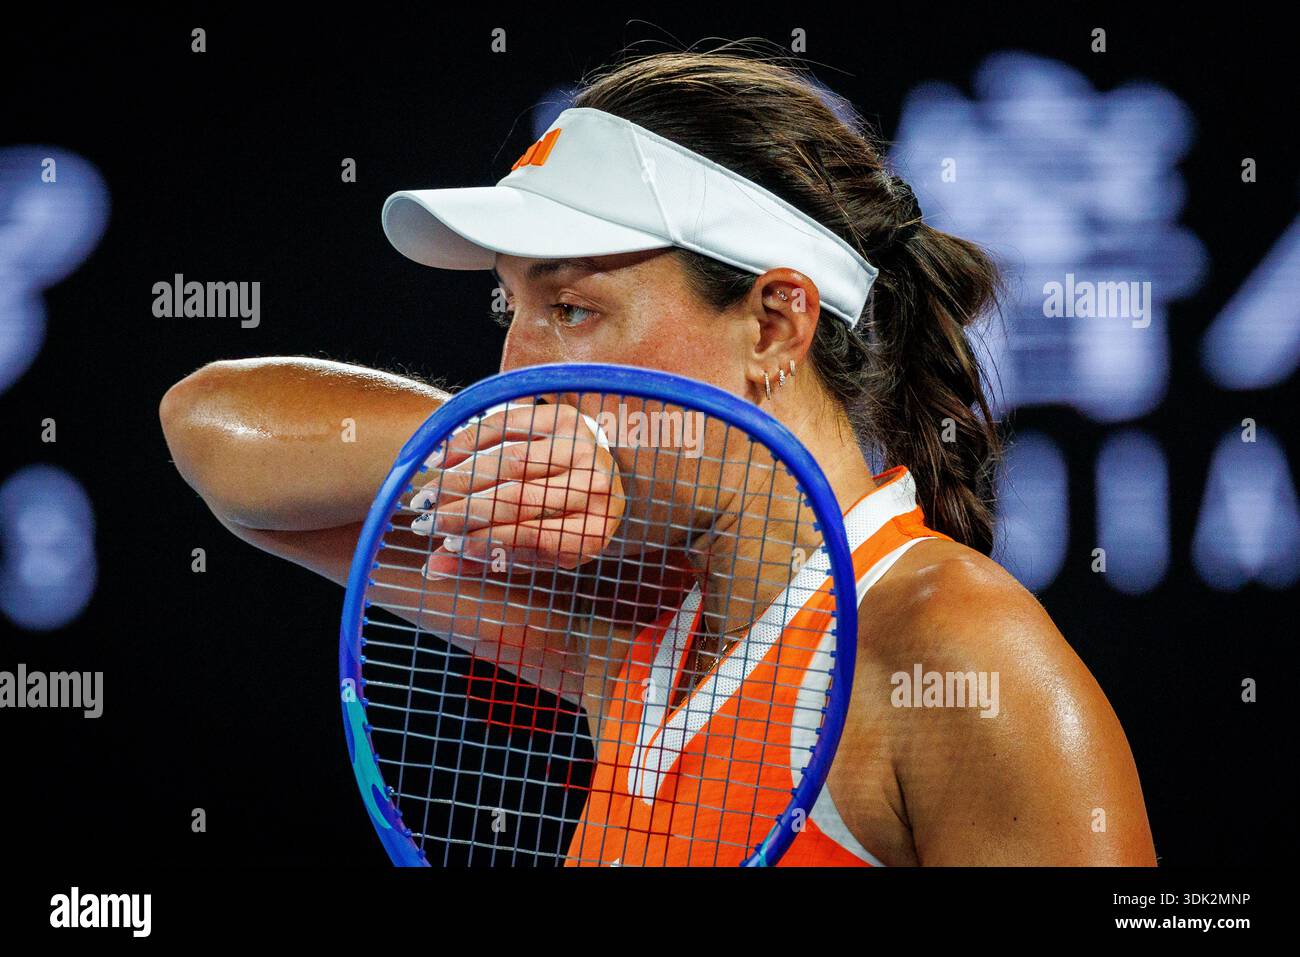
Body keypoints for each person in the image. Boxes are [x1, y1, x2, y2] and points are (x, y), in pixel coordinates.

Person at [160, 49, 1156, 866]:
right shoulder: (633, 621)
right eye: (513, 309)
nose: (516, 365)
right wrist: (474, 445)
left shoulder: (961, 653)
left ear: (774, 325)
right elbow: (213, 432)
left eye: (574, 309)